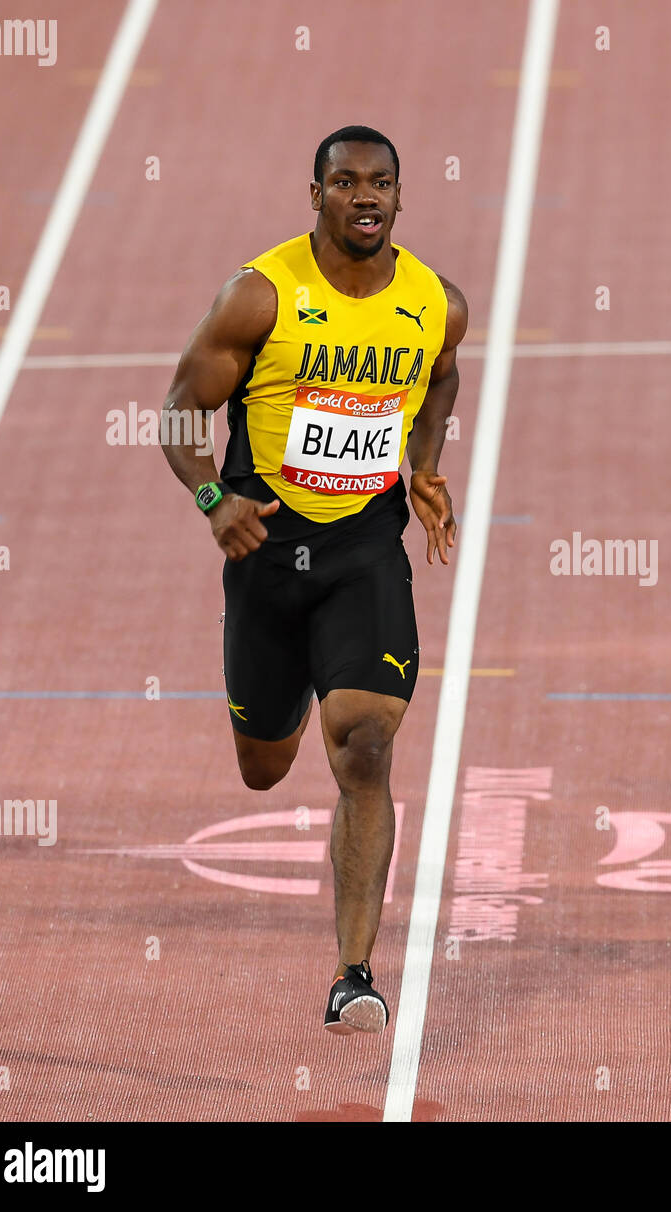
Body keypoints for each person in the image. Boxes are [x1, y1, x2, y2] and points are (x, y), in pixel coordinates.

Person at [160, 124, 468, 1030]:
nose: (364, 197)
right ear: (317, 196)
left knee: (366, 747)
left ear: (400, 198)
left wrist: (423, 465)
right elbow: (180, 410)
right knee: (263, 767)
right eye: (345, 184)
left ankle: (354, 974)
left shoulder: (435, 302)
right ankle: (283, 699)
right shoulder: (259, 297)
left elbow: (442, 379)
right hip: (264, 546)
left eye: (380, 184)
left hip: (364, 550)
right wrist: (216, 498)